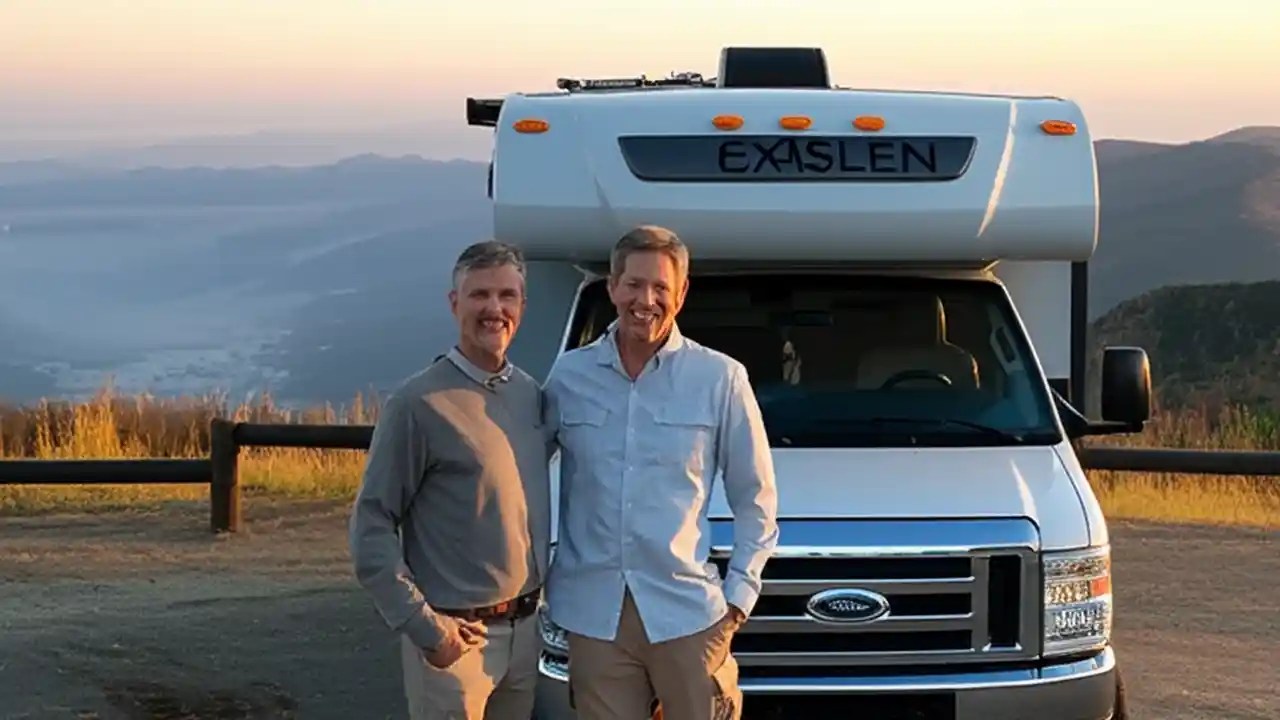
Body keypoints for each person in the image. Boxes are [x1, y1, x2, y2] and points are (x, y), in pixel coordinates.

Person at [542, 225, 780, 720]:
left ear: (682, 293)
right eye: (633, 284)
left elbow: (757, 500)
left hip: (689, 615)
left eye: (660, 288)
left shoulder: (720, 378)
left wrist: (736, 603)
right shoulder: (568, 377)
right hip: (594, 619)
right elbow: (517, 476)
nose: (645, 300)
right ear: (612, 286)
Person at [348, 240, 551, 720]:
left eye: (507, 296)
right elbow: (371, 525)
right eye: (480, 295)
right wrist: (424, 627)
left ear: (522, 306)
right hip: (456, 641)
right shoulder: (418, 404)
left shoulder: (531, 395)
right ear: (454, 302)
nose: (494, 309)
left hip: (527, 634)